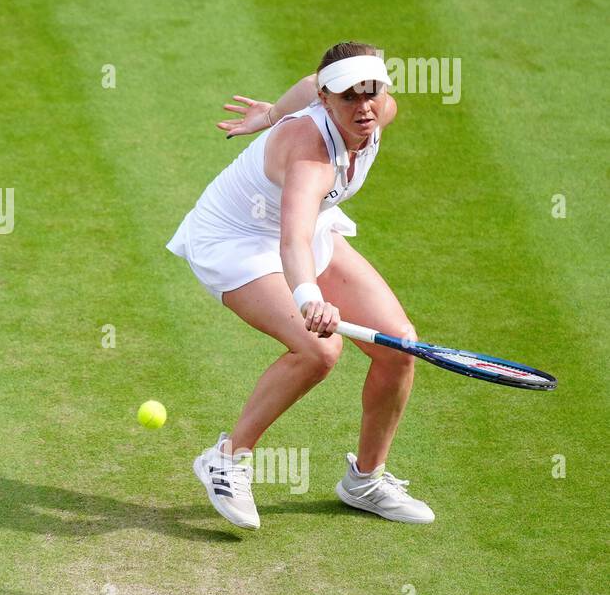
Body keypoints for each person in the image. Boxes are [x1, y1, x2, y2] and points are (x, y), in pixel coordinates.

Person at [169, 42, 433, 530]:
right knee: (318, 350)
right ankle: (225, 458)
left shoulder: (378, 111)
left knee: (401, 347)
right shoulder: (309, 153)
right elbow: (291, 242)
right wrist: (310, 299)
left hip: (309, 228)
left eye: (371, 91)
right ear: (328, 102)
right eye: (349, 96)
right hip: (239, 241)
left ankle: (365, 481)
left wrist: (270, 112)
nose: (364, 105)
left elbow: (311, 84)